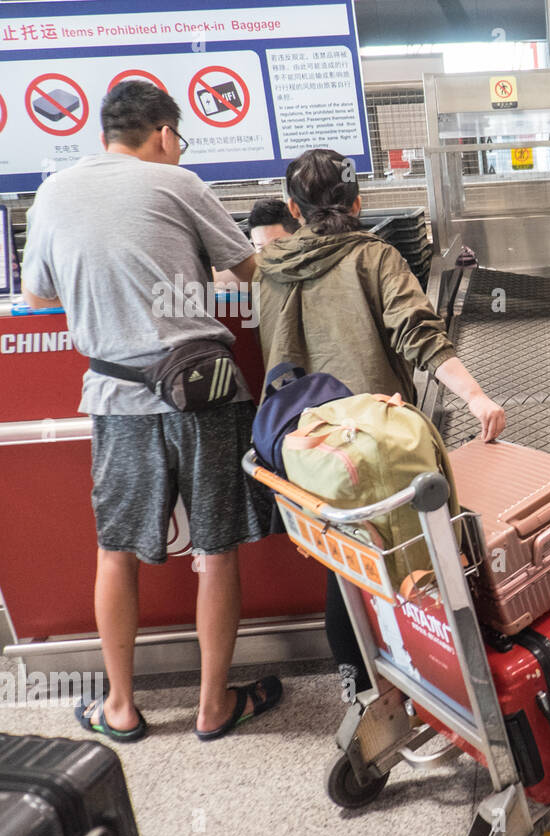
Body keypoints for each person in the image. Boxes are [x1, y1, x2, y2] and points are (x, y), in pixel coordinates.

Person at [21, 81, 282, 743]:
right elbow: (253, 271)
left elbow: (35, 294)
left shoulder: (51, 193)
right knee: (215, 555)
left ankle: (120, 708)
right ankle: (213, 707)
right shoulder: (180, 182)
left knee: (115, 554)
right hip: (207, 394)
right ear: (163, 134)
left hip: (116, 399)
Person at [255, 148, 506, 695]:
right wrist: (476, 397)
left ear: (294, 212)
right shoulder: (375, 258)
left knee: (342, 557)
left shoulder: (269, 270)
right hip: (373, 441)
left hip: (303, 443)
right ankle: (425, 677)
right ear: (358, 202)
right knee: (402, 552)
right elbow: (419, 334)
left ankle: (358, 678)